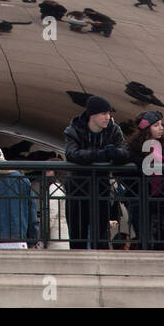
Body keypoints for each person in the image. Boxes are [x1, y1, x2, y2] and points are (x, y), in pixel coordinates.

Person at [63, 94, 130, 250]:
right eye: (104, 113)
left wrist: (115, 153)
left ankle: (100, 264)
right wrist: (97, 155)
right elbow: (72, 153)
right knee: (77, 232)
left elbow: (125, 152)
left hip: (101, 187)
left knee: (100, 234)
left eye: (109, 114)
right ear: (92, 115)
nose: (108, 117)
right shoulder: (74, 129)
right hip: (78, 188)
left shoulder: (113, 130)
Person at [127, 110, 164, 249]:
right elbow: (133, 164)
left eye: (161, 124)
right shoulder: (135, 147)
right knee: (144, 237)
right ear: (147, 129)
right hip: (140, 196)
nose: (161, 128)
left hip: (161, 195)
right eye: (156, 125)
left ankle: (162, 240)